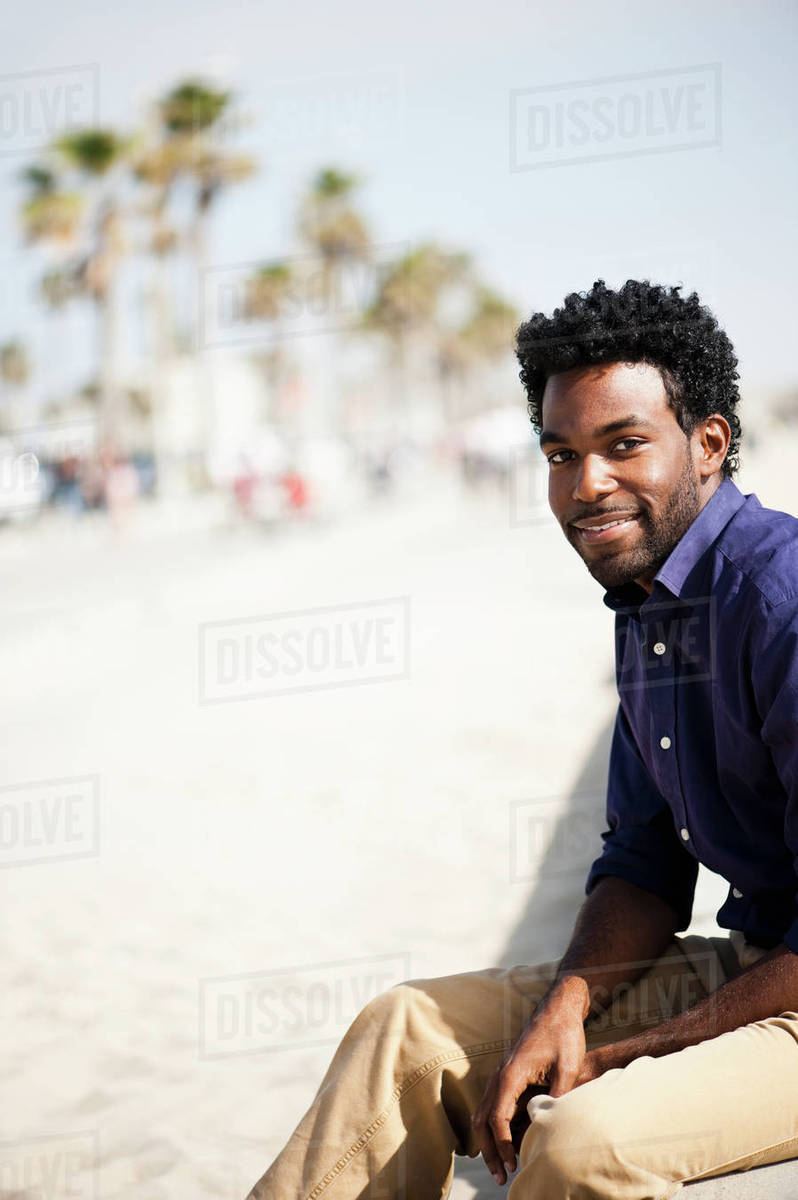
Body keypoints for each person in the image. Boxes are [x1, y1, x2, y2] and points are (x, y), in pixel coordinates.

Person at [246, 280, 798, 1200]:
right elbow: (643, 864)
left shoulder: (778, 602)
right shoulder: (651, 603)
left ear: (708, 443)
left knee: (579, 1138)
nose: (586, 486)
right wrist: (564, 1013)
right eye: (560, 453)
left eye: (624, 444)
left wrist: (631, 1053)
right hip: (755, 963)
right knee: (406, 1032)